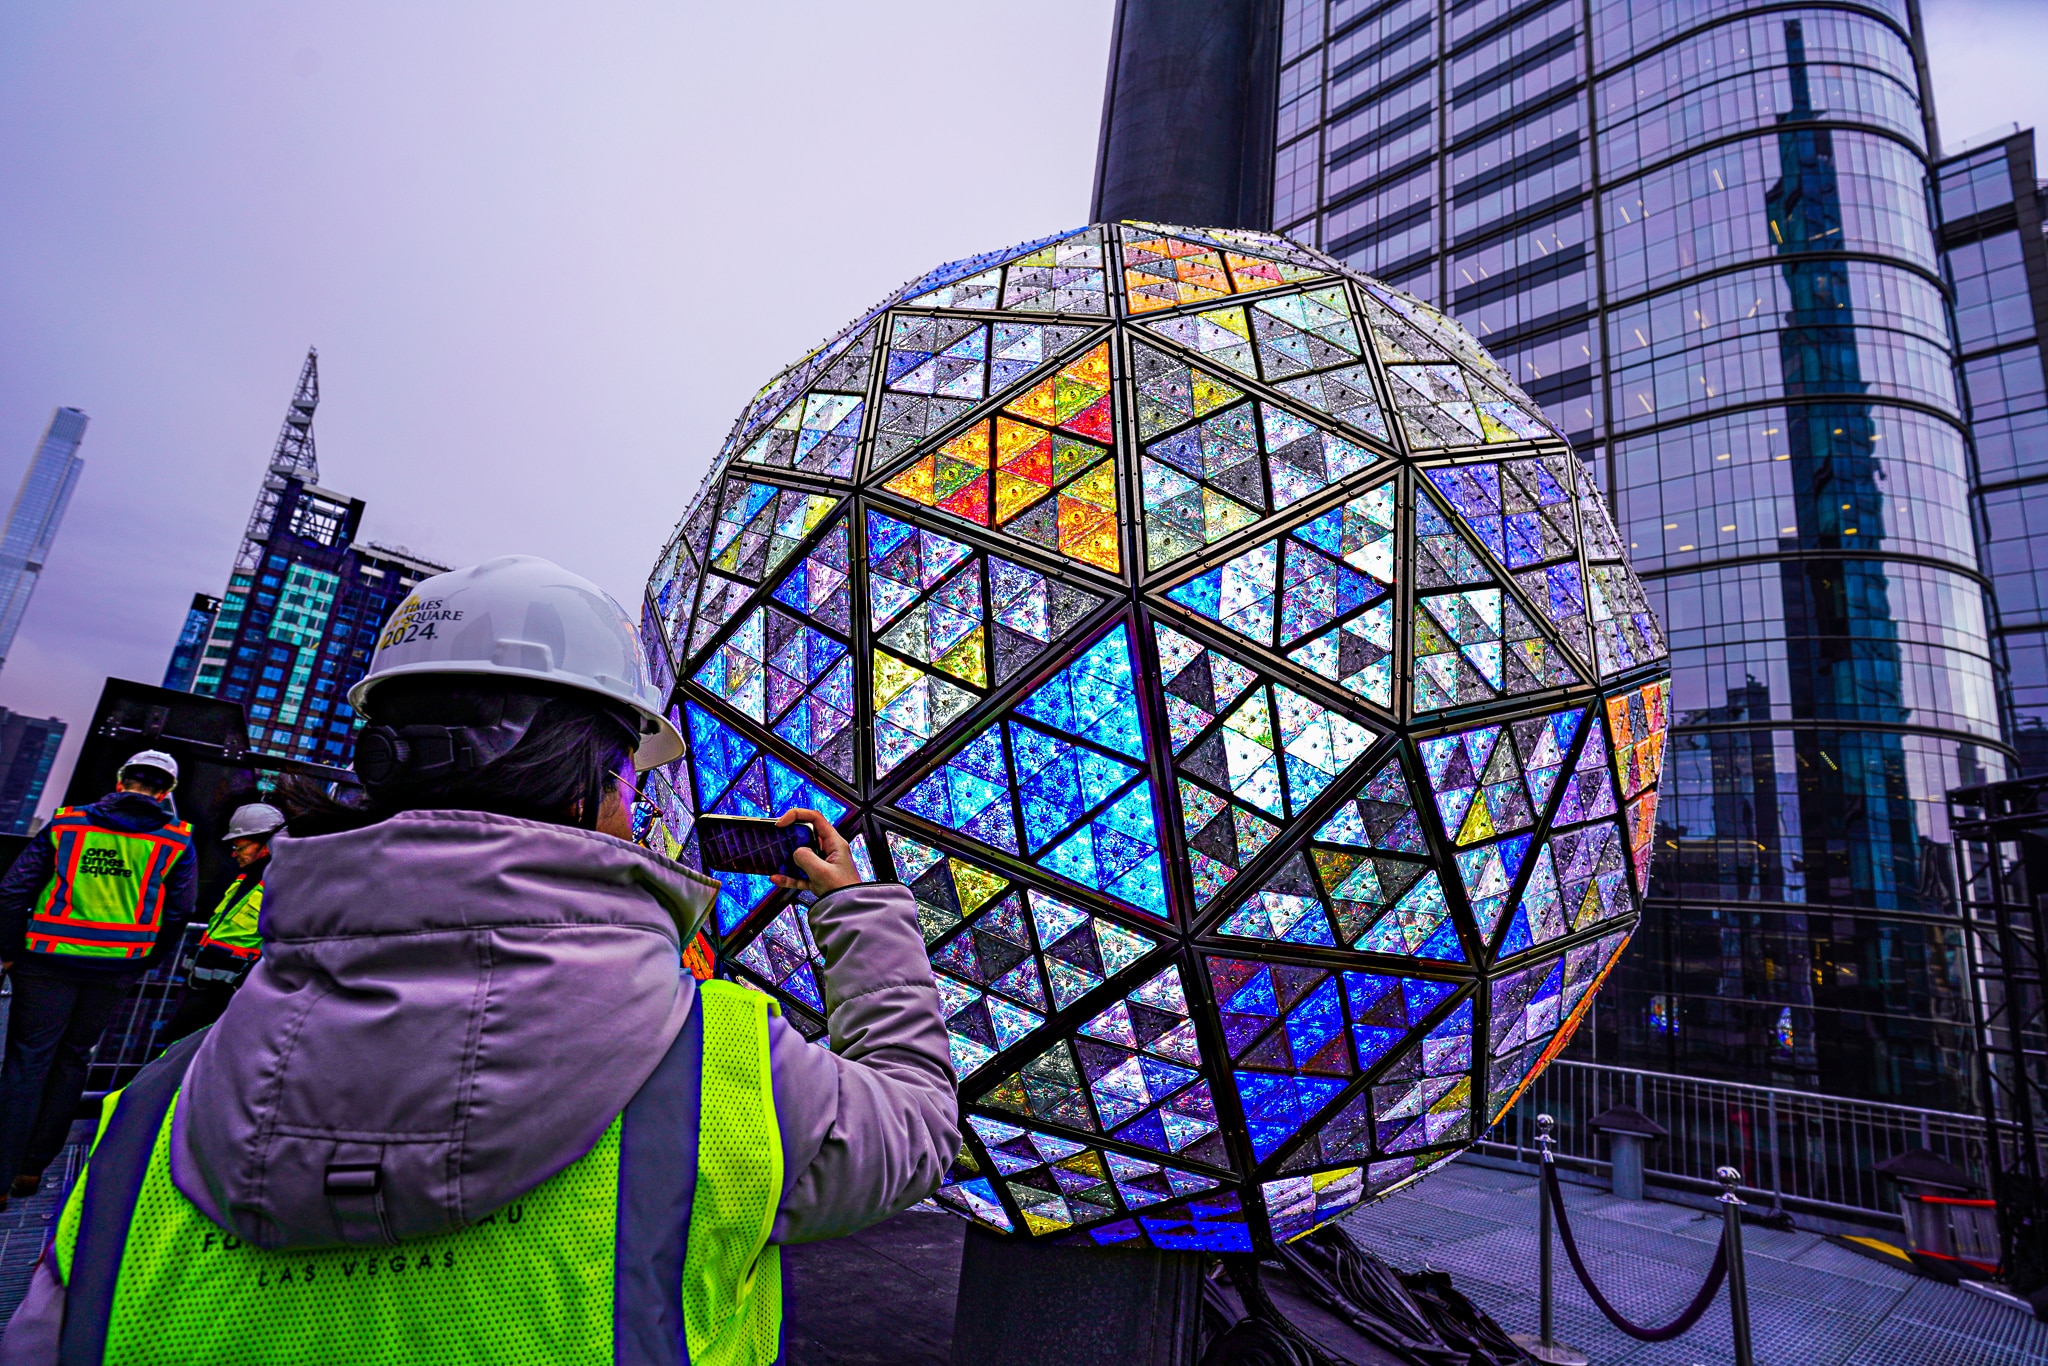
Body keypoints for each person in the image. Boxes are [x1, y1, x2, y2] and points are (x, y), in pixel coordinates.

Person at [0, 554, 956, 1365]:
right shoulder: (728, 1076)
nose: (636, 807)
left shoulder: (152, 1114)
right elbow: (915, 1125)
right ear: (585, 784)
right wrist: (855, 912)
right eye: (630, 777)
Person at [0, 751, 197, 1210]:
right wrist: (143, 960)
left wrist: (8, 951)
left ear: (120, 779)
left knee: (27, 1062)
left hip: (48, 962)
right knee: (72, 1061)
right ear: (167, 792)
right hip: (114, 970)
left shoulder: (69, 824)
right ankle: (32, 1170)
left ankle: (0, 1176)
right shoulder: (175, 840)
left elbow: (13, 891)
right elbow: (179, 912)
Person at [159, 802, 286, 1043]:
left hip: (231, 998)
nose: (234, 852)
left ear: (265, 846)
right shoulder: (243, 880)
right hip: (203, 990)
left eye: (241, 846)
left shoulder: (282, 886)